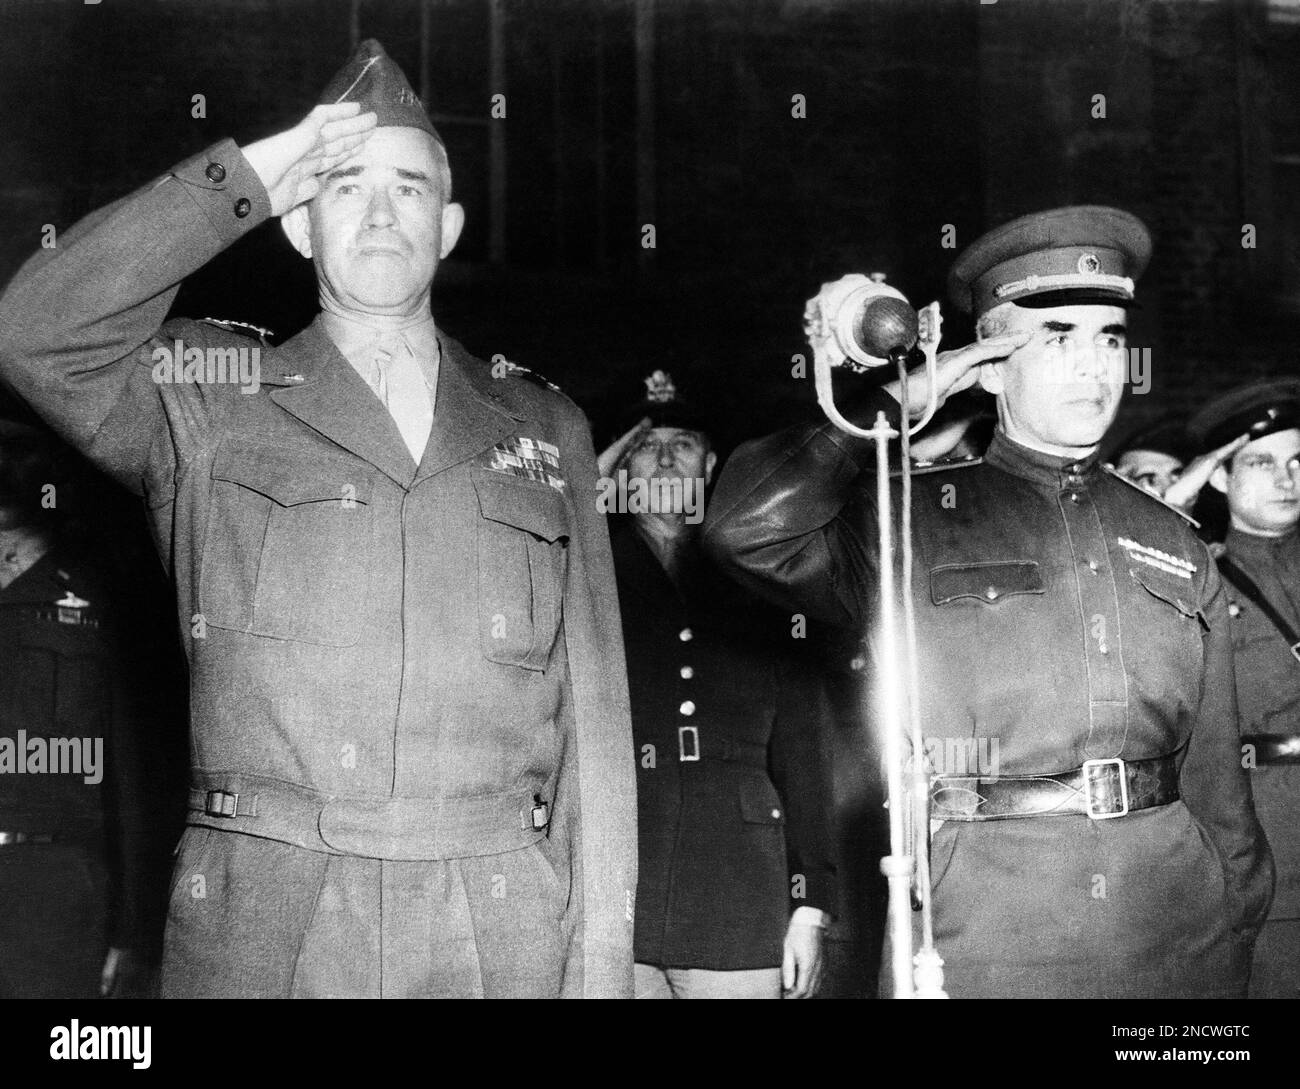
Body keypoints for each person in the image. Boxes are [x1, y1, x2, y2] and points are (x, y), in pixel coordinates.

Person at [0, 39, 636, 999]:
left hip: (497, 925)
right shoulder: (214, 393)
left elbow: (594, 730)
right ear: (298, 223)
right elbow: (37, 333)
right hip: (269, 919)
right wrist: (247, 177)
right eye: (345, 186)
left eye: (411, 189)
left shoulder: (544, 425)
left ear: (451, 225)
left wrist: (597, 977)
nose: (381, 212)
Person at [703, 206, 1273, 998]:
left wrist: (1233, 921)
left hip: (1178, 935)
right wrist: (897, 405)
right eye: (1057, 338)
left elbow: (1219, 781)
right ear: (992, 365)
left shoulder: (1171, 539)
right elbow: (747, 528)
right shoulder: (912, 516)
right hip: (993, 932)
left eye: (1109, 339)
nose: (1094, 365)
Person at [599, 372, 836, 999]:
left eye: (684, 442)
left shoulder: (764, 573)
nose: (667, 457)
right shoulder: (584, 568)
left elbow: (805, 751)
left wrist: (810, 902)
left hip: (739, 891)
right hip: (615, 884)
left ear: (709, 463)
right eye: (648, 445)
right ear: (619, 465)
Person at [0, 421, 154, 997]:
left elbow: (132, 777)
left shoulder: (99, 595)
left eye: (16, 451)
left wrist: (132, 930)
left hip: (54, 890)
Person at [1187, 379, 1300, 998]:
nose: (1288, 478)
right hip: (1266, 833)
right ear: (1221, 478)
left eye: (1298, 462)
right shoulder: (1197, 577)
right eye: (1262, 461)